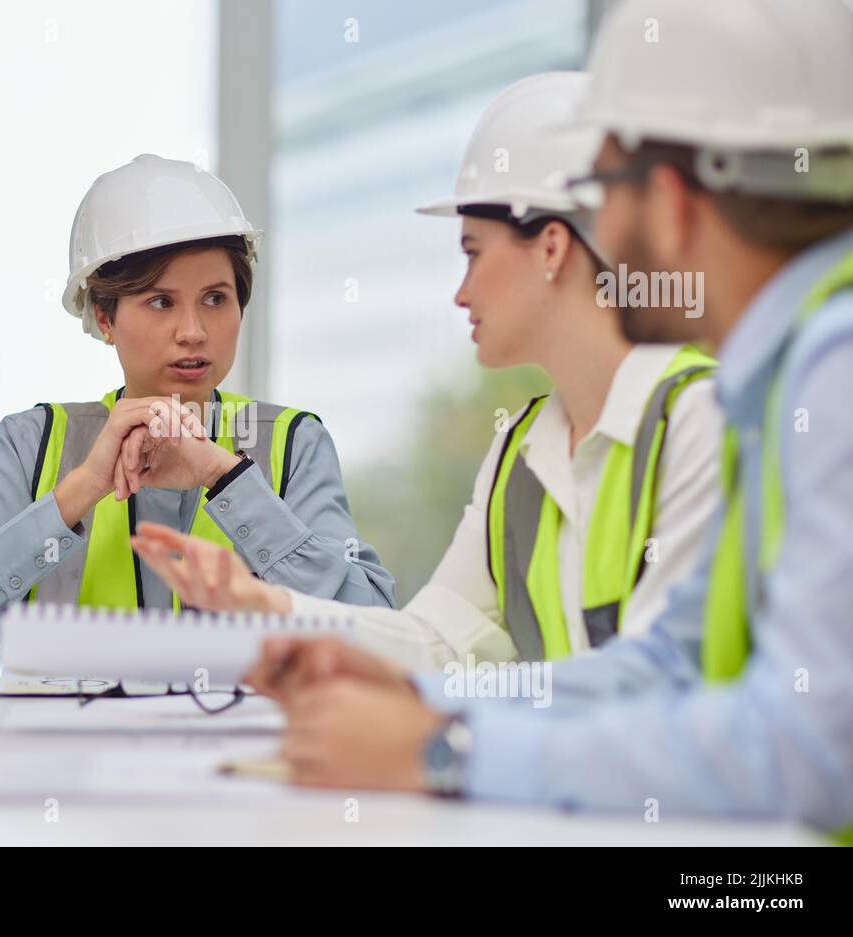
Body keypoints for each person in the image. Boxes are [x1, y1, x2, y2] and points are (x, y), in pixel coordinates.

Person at [225, 0, 853, 838]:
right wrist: (419, 697)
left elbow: (814, 752)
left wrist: (446, 752)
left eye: (602, 188)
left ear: (668, 200)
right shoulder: (776, 384)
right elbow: (668, 667)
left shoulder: (828, 378)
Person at [133, 73, 723, 671]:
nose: (461, 294)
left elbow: (654, 687)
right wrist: (267, 604)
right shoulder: (523, 449)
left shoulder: (703, 422)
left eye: (473, 253)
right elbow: (437, 645)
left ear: (550, 247)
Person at [0, 154, 396, 676]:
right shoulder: (36, 443)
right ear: (105, 318)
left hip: (238, 754)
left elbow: (376, 641)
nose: (193, 331)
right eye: (160, 302)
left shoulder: (293, 443)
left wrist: (226, 479)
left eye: (216, 299)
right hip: (67, 754)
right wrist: (81, 487)